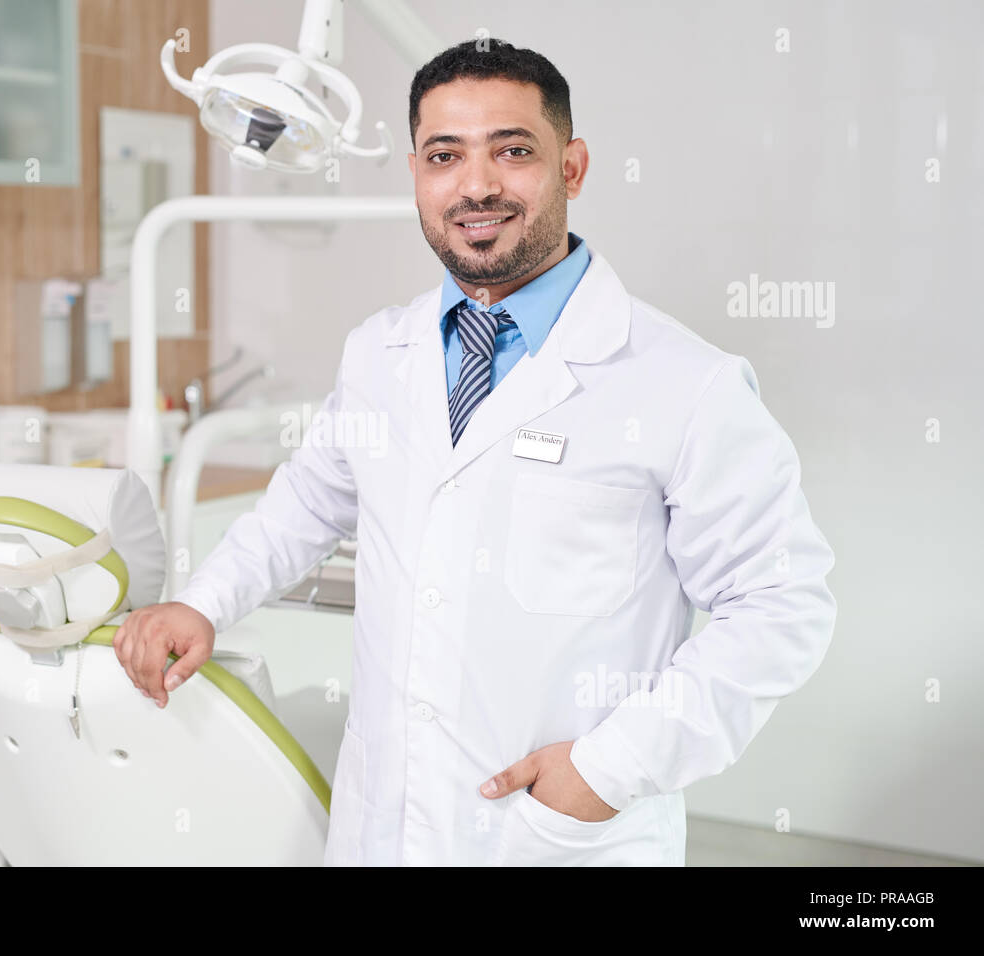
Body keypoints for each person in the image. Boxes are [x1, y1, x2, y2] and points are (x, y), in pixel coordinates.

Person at [113, 39, 837, 866]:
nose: (477, 185)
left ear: (573, 166)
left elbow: (782, 605)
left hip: (556, 835)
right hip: (382, 830)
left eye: (513, 151)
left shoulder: (684, 384)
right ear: (417, 175)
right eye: (444, 156)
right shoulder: (379, 353)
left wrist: (608, 770)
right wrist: (202, 601)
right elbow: (306, 504)